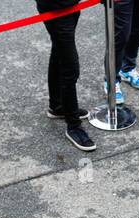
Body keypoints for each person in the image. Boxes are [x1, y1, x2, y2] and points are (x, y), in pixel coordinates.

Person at [37, 0, 95, 151]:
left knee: (58, 53)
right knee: (70, 68)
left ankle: (57, 106)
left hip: (70, 6)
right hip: (56, 9)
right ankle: (73, 125)